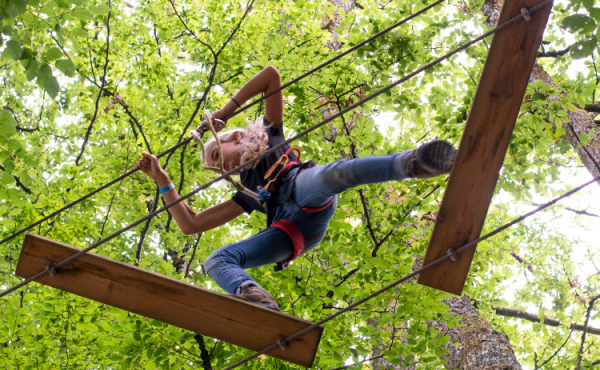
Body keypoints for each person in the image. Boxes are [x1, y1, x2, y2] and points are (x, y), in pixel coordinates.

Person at [137, 66, 456, 311]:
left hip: (304, 188)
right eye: (217, 168)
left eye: (218, 157)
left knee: (335, 174)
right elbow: (190, 224)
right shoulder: (246, 193)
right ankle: (253, 295)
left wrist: (222, 114)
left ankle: (413, 163)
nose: (222, 168)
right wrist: (163, 180)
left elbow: (270, 77)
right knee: (215, 261)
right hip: (290, 231)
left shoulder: (270, 135)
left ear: (235, 137)